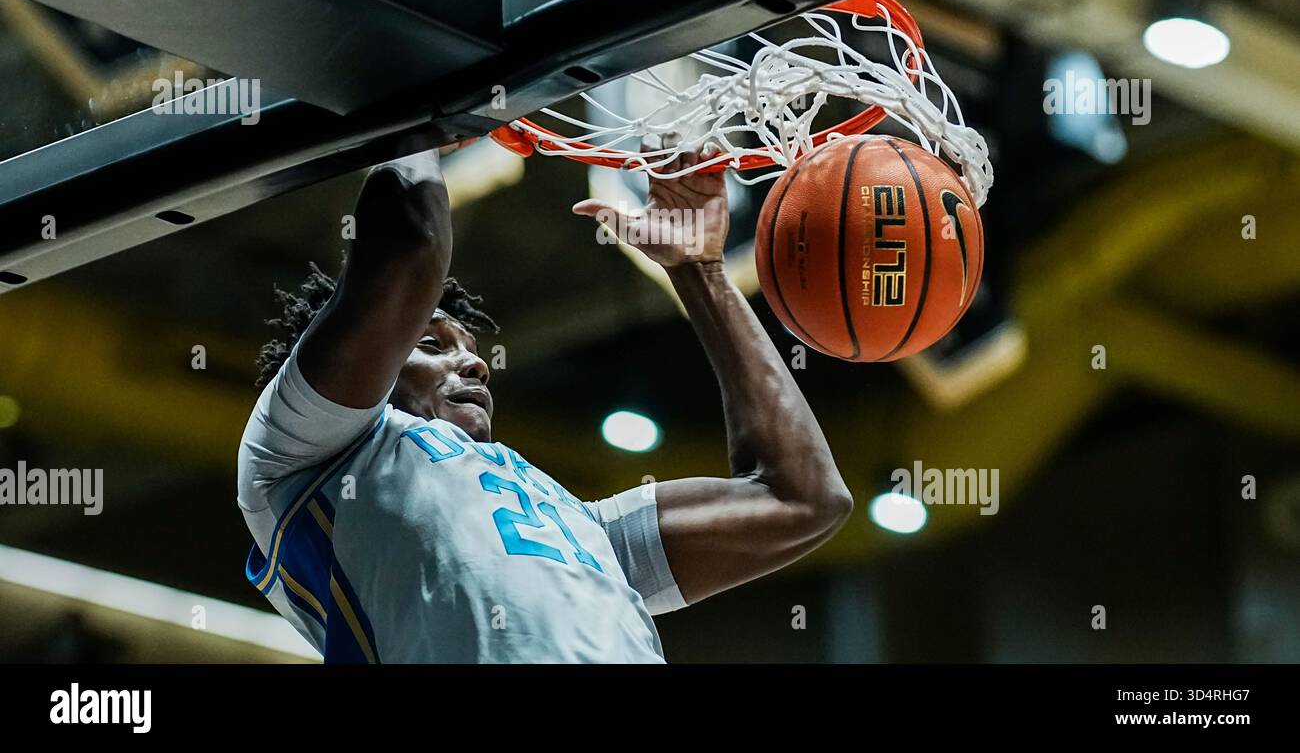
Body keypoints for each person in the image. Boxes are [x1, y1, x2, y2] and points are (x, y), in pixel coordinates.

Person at [236, 141, 852, 662]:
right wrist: (422, 124)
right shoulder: (300, 451)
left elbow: (802, 499)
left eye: (471, 347)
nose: (473, 361)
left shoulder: (583, 529)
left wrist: (699, 270)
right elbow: (406, 248)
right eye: (432, 342)